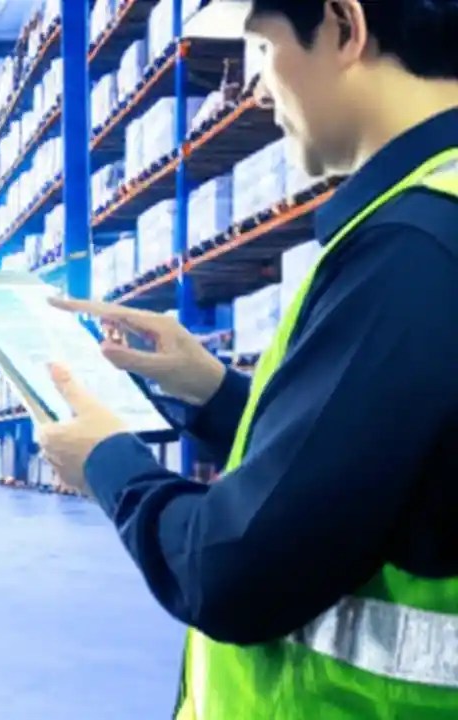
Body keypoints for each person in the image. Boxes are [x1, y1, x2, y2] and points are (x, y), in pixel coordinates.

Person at [34, 1, 458, 717]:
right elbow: (380, 467)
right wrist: (212, 390)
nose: (256, 88)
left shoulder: (414, 250)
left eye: (261, 50)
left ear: (344, 27)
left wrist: (108, 462)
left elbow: (231, 575)